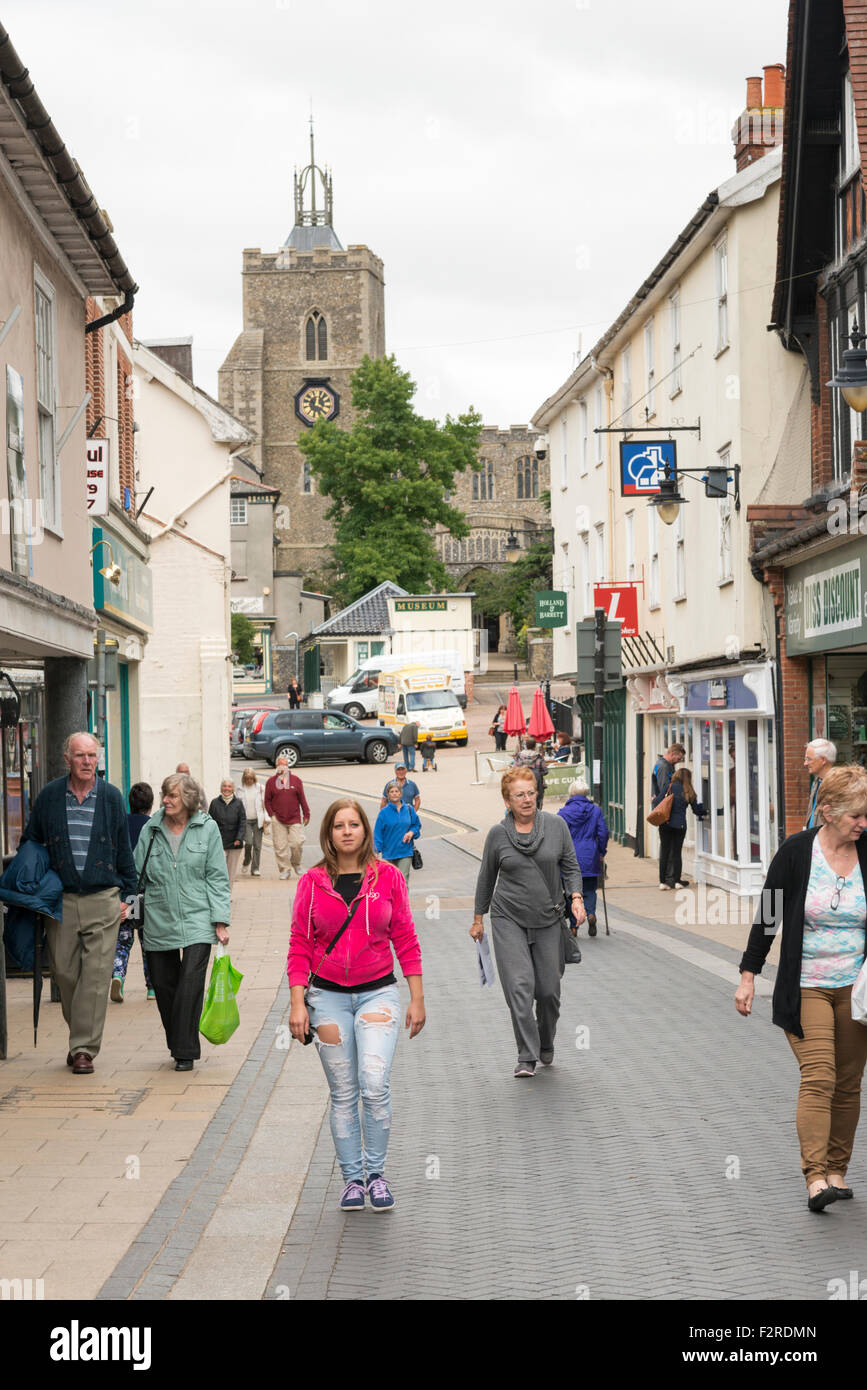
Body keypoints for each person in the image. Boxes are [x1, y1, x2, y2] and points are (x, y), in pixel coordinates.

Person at [735, 764, 867, 1212]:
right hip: (807, 984)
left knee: (849, 1085)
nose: (863, 824)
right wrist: (749, 975)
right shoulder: (795, 853)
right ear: (828, 812)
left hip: (857, 989)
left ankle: (836, 1170)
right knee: (820, 1076)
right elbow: (770, 916)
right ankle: (815, 1178)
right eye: (856, 816)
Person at [287, 798, 425, 1212]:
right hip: (326, 997)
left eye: (354, 825)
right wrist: (298, 1004)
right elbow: (298, 944)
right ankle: (352, 1181)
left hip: (378, 991)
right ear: (328, 833)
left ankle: (377, 1175)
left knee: (374, 1083)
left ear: (365, 831)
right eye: (338, 826)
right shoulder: (312, 882)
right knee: (344, 1092)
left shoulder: (387, 879)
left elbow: (406, 937)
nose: (347, 832)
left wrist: (417, 997)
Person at [21, 731, 137, 1075]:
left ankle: (83, 1048)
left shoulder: (112, 798)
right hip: (62, 901)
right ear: (67, 759)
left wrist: (131, 899)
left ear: (98, 759)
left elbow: (124, 849)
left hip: (104, 900)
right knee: (66, 973)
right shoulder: (50, 797)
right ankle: (80, 1033)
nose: (87, 762)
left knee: (98, 977)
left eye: (92, 756)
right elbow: (31, 841)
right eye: (80, 756)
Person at [470, 766, 584, 1078]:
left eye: (531, 793)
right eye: (519, 795)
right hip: (509, 919)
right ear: (507, 801)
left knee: (548, 991)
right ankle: (526, 1055)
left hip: (548, 917)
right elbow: (486, 879)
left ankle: (545, 1041)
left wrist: (576, 897)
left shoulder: (556, 826)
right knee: (520, 986)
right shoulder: (498, 835)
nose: (527, 799)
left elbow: (571, 866)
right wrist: (478, 918)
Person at [135, 773, 230, 1072]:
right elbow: (136, 871)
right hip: (159, 915)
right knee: (164, 986)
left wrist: (220, 920)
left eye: (172, 795)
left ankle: (185, 1051)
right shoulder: (150, 830)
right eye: (165, 794)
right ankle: (177, 1041)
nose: (165, 800)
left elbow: (217, 876)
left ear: (188, 798)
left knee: (190, 984)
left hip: (198, 916)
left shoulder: (208, 828)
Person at [111, 783, 156, 1003]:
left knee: (123, 940)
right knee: (148, 941)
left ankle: (118, 974)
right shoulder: (154, 827)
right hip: (146, 893)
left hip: (125, 892)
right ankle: (152, 988)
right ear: (151, 804)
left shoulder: (120, 824)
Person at [557, 780, 609, 937]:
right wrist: (601, 852)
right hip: (589, 855)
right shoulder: (595, 810)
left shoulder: (563, 813)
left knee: (571, 892)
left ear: (571, 793)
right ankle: (591, 913)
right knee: (589, 889)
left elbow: (558, 836)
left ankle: (574, 926)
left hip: (569, 857)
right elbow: (603, 833)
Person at [651, 767, 705, 890]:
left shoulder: (668, 787)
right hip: (680, 826)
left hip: (665, 824)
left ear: (676, 776)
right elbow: (697, 811)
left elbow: (656, 803)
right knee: (676, 853)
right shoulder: (689, 791)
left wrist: (654, 799)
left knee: (664, 852)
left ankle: (662, 882)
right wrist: (705, 810)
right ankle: (676, 881)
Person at [265, 754, 310, 879]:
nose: (282, 767)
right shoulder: (270, 782)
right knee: (280, 847)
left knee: (296, 843)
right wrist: (271, 815)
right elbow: (267, 801)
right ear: (276, 766)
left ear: (288, 766)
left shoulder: (296, 780)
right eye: (280, 764)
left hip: (294, 817)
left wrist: (306, 814)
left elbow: (302, 799)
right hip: (278, 819)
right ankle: (284, 870)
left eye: (284, 764)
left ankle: (296, 864)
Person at [374, 781, 421, 883]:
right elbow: (378, 834)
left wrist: (411, 832)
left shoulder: (409, 809)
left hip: (405, 852)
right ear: (388, 795)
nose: (394, 793)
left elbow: (416, 825)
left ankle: (404, 899)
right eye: (391, 791)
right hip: (389, 854)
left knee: (403, 881)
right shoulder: (383, 813)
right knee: (391, 882)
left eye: (397, 791)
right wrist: (375, 851)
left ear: (401, 793)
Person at [209, 780, 246, 885]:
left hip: (234, 843)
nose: (227, 788)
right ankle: (219, 894)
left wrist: (239, 838)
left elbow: (243, 821)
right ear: (221, 788)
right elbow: (209, 822)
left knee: (230, 872)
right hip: (219, 843)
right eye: (224, 786)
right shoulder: (214, 803)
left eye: (229, 786)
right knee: (219, 871)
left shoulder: (238, 803)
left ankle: (227, 896)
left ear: (233, 789)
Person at [239, 767, 267, 876]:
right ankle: (247, 860)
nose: (249, 780)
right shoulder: (240, 789)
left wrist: (266, 818)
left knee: (257, 845)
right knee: (249, 842)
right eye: (246, 778)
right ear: (244, 778)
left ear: (254, 778)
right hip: (245, 820)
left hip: (258, 820)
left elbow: (266, 804)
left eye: (251, 778)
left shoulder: (260, 788)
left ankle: (255, 868)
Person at [804, 739, 837, 829]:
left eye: (808, 759)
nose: (805, 763)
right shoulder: (816, 782)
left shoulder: (838, 786)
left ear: (823, 760)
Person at [513, 737, 547, 810]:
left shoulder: (519, 756)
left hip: (522, 781)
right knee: (537, 801)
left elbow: (515, 769)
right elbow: (545, 771)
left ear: (526, 745)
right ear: (535, 746)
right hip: (537, 783)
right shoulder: (539, 757)